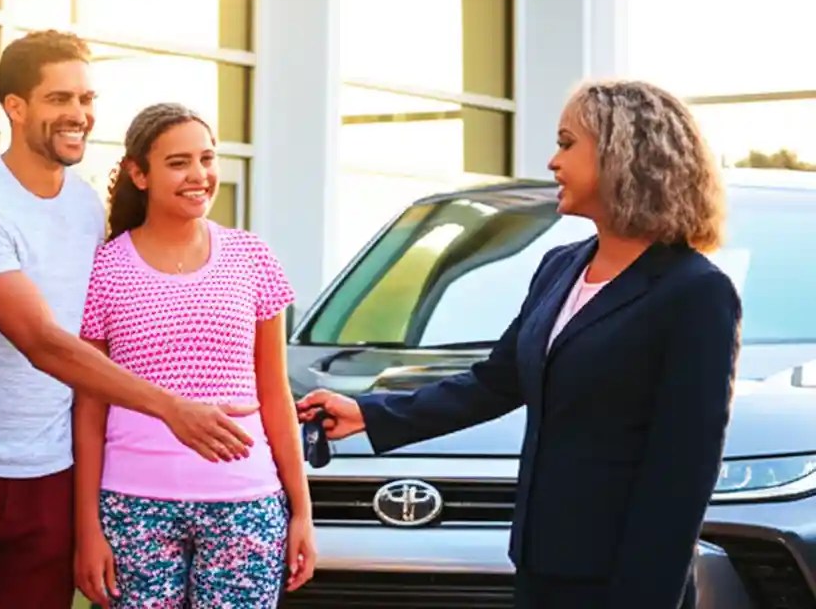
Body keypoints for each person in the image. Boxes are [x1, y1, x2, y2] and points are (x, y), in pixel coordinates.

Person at [298, 79, 740, 609]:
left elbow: (682, 472)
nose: (554, 162)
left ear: (624, 154)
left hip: (624, 580)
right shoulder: (561, 267)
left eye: (567, 143)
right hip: (541, 562)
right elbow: (496, 380)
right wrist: (369, 413)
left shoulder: (695, 292)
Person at [0, 31, 258, 609]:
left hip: (51, 475)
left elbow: (104, 332)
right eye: (60, 99)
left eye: (87, 99)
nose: (80, 115)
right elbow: (43, 342)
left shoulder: (86, 205)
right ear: (15, 107)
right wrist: (171, 408)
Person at [72, 103, 316, 608]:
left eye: (207, 158)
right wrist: (87, 529)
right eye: (178, 162)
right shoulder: (105, 269)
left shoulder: (252, 257)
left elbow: (276, 394)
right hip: (133, 507)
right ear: (139, 173)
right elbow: (89, 408)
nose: (199, 175)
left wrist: (301, 512)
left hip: (246, 506)